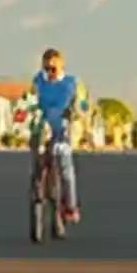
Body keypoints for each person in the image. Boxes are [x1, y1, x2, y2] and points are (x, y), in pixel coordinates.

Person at [26, 48, 89, 223]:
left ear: (61, 65)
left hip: (63, 131)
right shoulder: (38, 82)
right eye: (47, 68)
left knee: (66, 166)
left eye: (53, 68)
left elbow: (82, 105)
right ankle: (37, 196)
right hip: (42, 130)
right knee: (37, 165)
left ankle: (70, 206)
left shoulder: (72, 84)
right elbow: (27, 101)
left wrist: (81, 120)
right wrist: (23, 114)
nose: (50, 72)